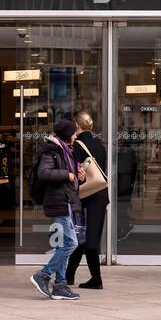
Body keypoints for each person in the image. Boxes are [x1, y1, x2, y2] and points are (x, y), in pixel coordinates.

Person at [30, 118, 85, 300]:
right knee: (71, 243)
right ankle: (44, 275)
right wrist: (68, 175)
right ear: (67, 134)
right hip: (58, 202)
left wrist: (77, 176)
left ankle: (60, 285)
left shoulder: (65, 150)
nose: (76, 136)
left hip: (65, 201)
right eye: (74, 132)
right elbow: (44, 173)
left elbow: (68, 176)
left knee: (63, 245)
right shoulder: (52, 151)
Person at [66, 112, 108, 290]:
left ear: (77, 125)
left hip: (85, 197)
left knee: (84, 239)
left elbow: (75, 173)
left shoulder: (77, 146)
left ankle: (96, 279)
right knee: (86, 238)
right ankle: (70, 275)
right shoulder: (100, 144)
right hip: (100, 196)